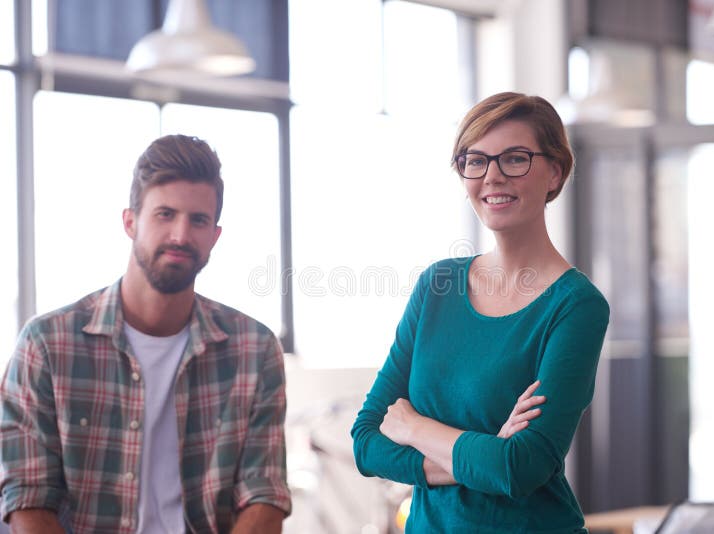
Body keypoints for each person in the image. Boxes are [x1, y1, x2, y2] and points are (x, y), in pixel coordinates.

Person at [0, 135, 291, 533]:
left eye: (198, 220)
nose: (180, 235)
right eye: (165, 214)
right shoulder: (47, 345)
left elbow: (265, 496)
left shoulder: (254, 351)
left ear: (215, 236)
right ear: (130, 221)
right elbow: (28, 499)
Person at [351, 92, 610, 533]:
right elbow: (367, 443)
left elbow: (520, 468)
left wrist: (415, 428)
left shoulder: (576, 306)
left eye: (514, 159)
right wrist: (484, 454)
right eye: (475, 160)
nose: (492, 176)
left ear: (555, 171)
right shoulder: (438, 286)